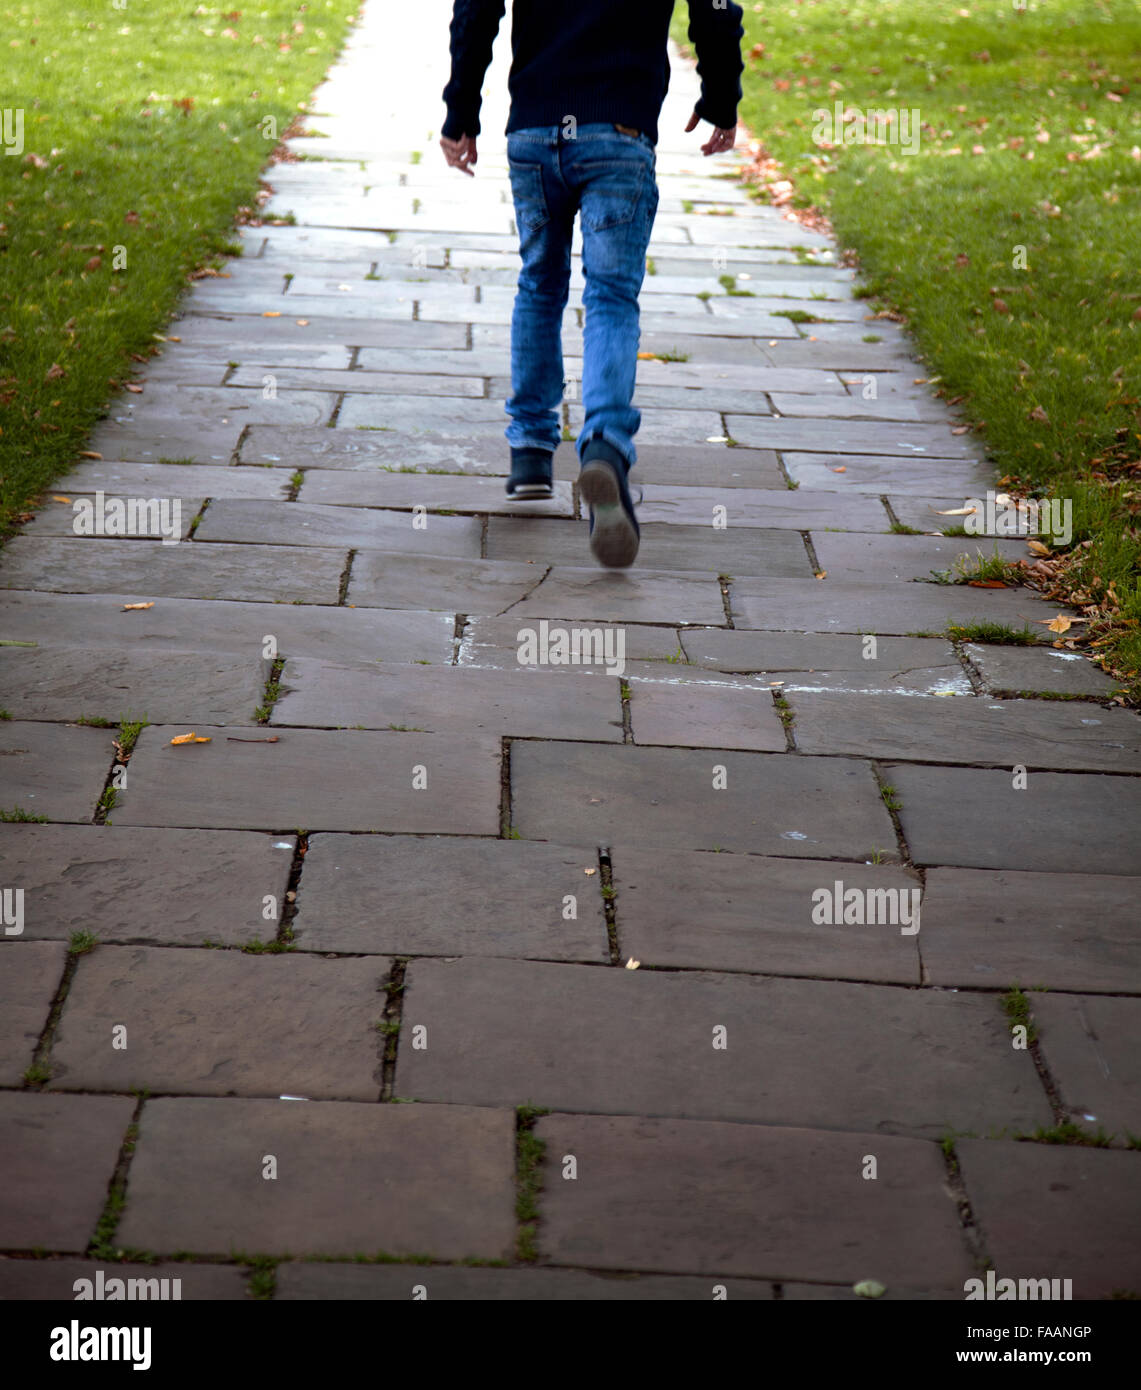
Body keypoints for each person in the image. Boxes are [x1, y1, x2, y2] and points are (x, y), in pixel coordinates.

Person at [440, 0, 744, 567]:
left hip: (535, 128)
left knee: (540, 283)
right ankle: (604, 443)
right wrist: (720, 97)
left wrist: (461, 111)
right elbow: (716, 10)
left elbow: (475, 7)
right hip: (619, 131)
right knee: (610, 295)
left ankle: (530, 451)